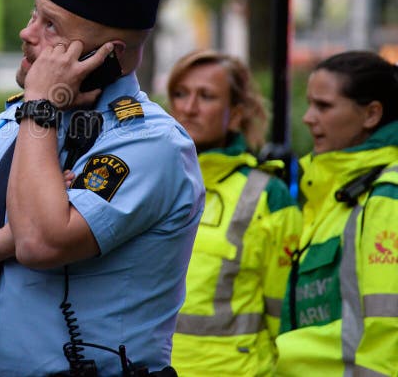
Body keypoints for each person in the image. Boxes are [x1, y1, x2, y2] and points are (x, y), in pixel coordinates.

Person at [0, 0, 205, 376]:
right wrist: (3, 239)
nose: (26, 33)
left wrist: (40, 107)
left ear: (108, 54)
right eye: (34, 14)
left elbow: (40, 244)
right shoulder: (6, 124)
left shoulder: (153, 144)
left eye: (51, 26)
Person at [165, 50, 302, 376]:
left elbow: (286, 316)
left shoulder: (268, 195)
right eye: (180, 94)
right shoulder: (147, 180)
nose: (189, 107)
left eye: (206, 96)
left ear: (236, 115)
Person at [275, 50, 398, 377]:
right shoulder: (337, 192)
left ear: (371, 114)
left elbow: (389, 328)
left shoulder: (387, 194)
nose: (308, 117)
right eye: (309, 104)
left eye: (324, 106)